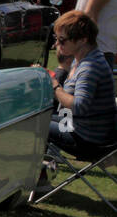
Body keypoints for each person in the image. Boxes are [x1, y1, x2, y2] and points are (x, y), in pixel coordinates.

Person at [45, 11, 117, 149]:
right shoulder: (80, 60)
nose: (56, 44)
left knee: (34, 125)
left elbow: (79, 106)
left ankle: (42, 167)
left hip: (88, 138)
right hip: (80, 126)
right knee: (35, 119)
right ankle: (44, 167)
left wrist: (54, 86)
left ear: (83, 40)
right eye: (56, 38)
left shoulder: (90, 67)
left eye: (62, 40)